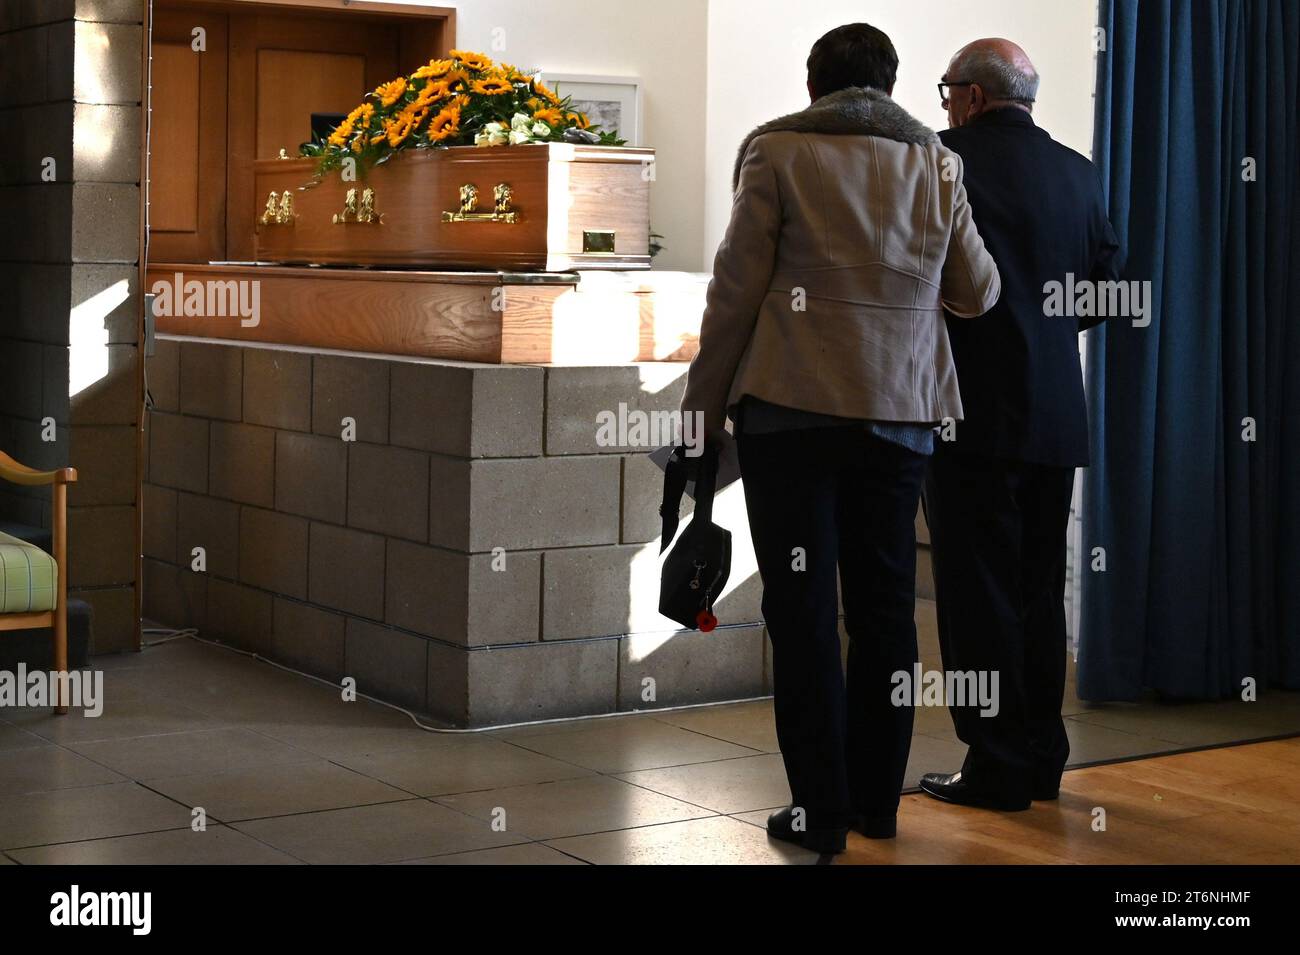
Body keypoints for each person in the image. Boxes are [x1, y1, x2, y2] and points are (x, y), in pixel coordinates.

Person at [678, 22, 1000, 854]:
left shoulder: (779, 152)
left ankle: (819, 810)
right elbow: (979, 293)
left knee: (804, 612)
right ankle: (876, 805)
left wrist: (698, 411)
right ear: (892, 86)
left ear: (815, 83)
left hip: (789, 416)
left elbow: (734, 295)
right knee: (887, 612)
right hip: (898, 421)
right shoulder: (936, 161)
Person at [918, 39, 1124, 811]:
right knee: (1040, 591)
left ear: (970, 96)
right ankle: (1042, 754)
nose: (944, 104)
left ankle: (996, 762)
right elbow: (1106, 290)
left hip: (968, 414)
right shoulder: (1079, 170)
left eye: (947, 90)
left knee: (978, 596)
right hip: (1055, 416)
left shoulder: (940, 160)